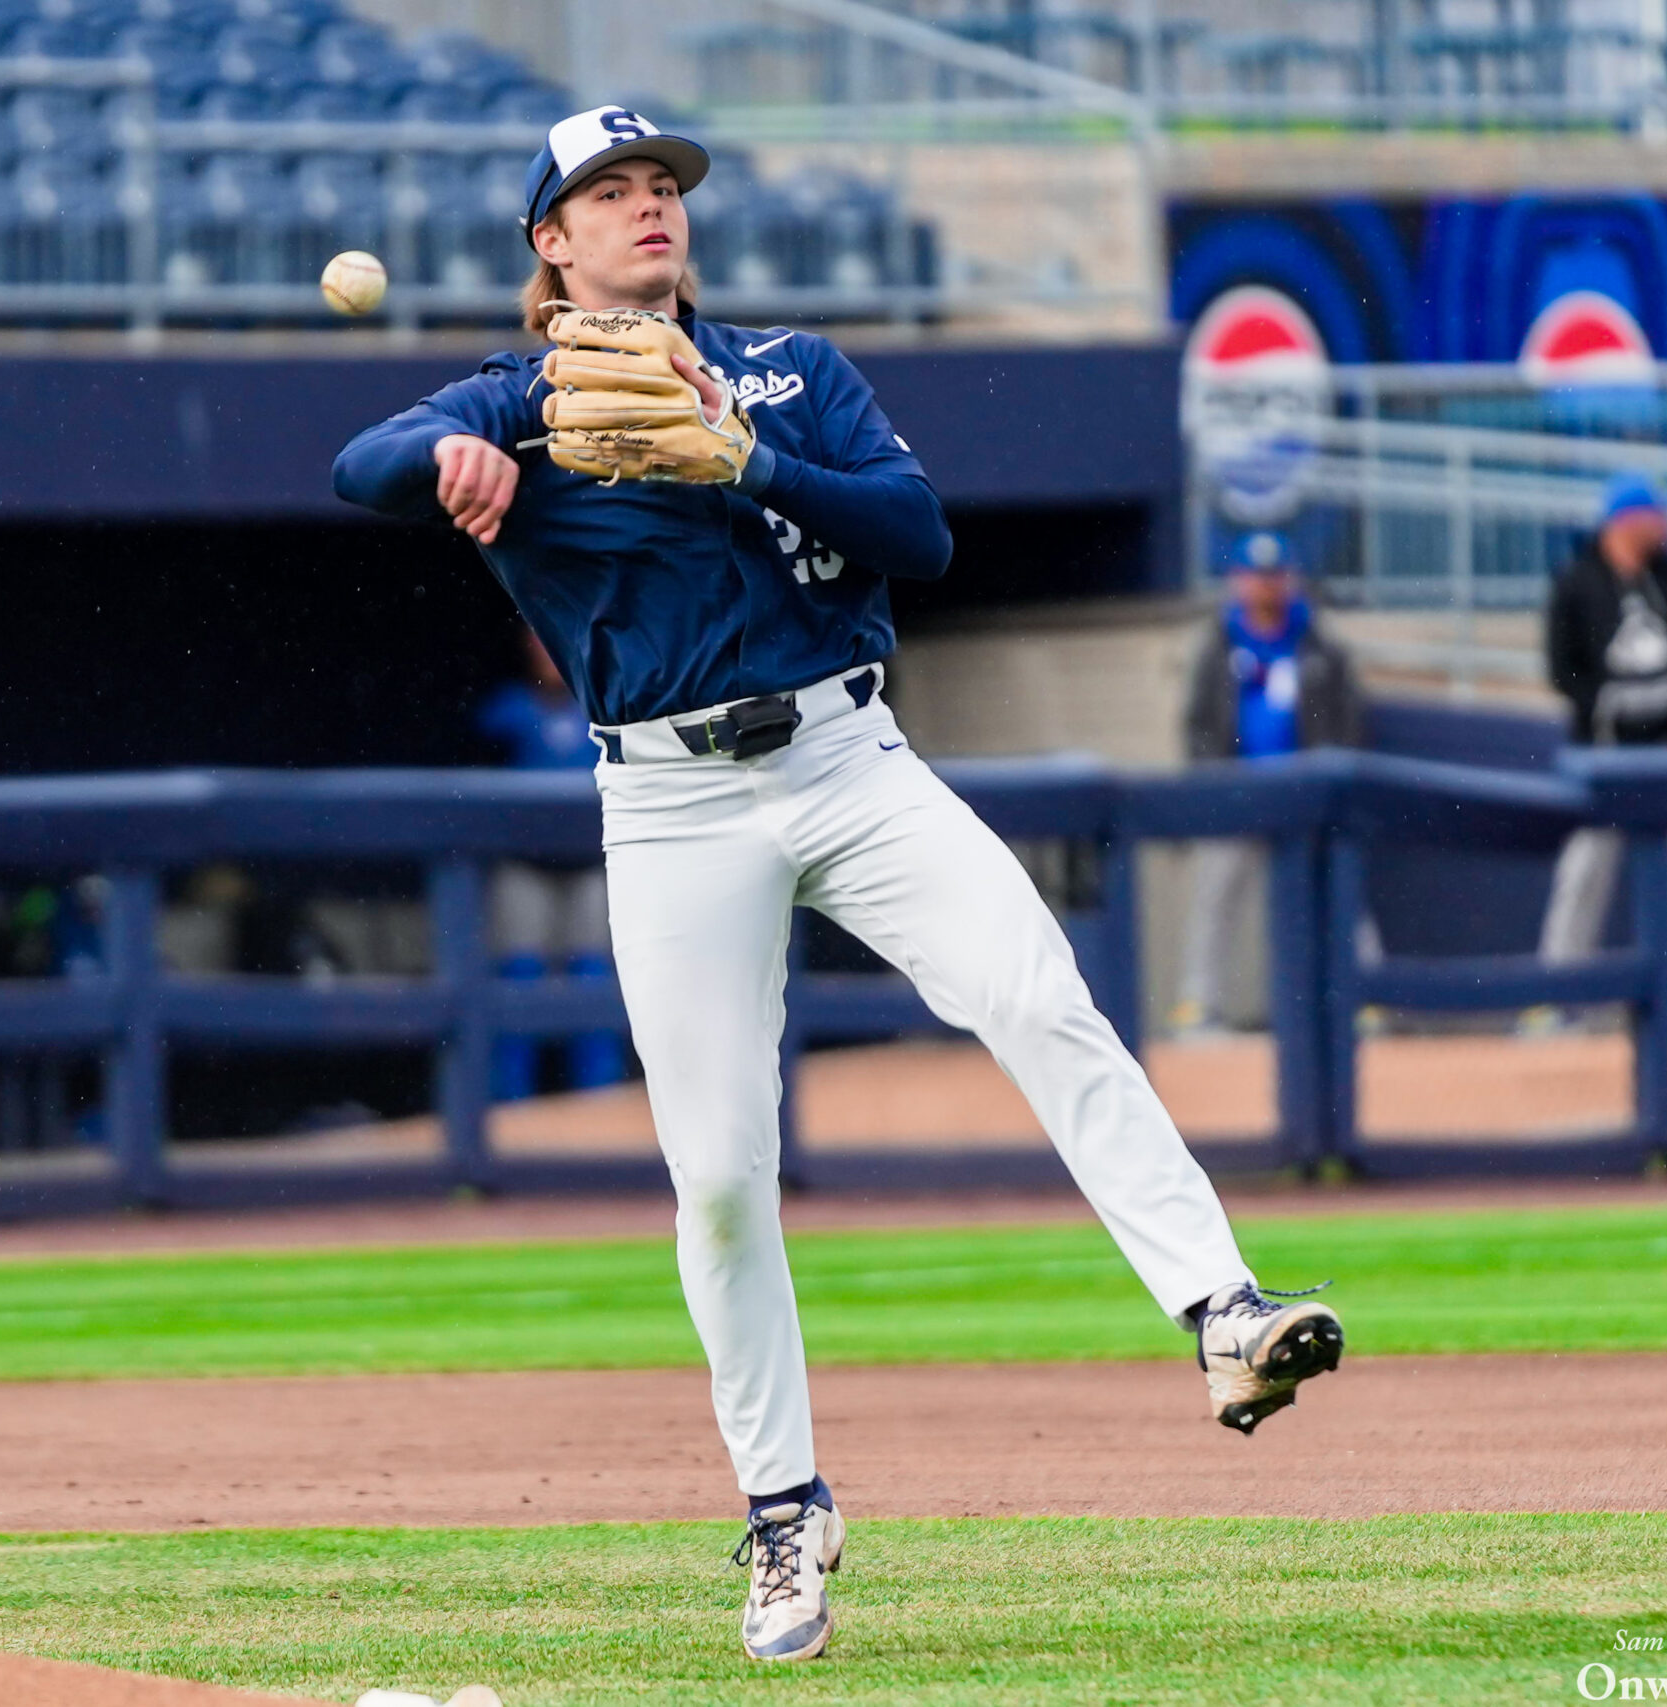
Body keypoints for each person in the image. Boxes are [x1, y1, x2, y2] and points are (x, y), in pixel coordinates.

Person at [332, 105, 1343, 1666]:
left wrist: (747, 457)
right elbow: (362, 466)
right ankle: (783, 1506)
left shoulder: (794, 370)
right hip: (668, 800)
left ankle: (1221, 1308)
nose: (649, 204)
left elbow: (918, 537)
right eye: (611, 190)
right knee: (723, 1174)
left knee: (1038, 990)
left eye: (664, 183)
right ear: (553, 241)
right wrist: (448, 452)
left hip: (849, 756)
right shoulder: (517, 400)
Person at [1172, 530, 1366, 1036]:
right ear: (1238, 581)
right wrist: (1210, 785)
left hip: (1305, 791)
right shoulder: (1218, 644)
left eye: (1275, 575)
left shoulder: (1319, 643)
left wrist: (1330, 780)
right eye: (1257, 576)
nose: (1266, 585)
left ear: (1291, 579)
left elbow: (1348, 719)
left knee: (1339, 893)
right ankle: (1199, 1004)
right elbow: (1198, 723)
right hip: (1237, 791)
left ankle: (1364, 997)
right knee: (1215, 899)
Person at [1532, 473, 1667, 1002]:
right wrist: (1609, 701)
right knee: (1584, 871)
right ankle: (1559, 994)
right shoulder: (1576, 581)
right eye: (1655, 514)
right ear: (1627, 520)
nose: (1665, 524)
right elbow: (1562, 671)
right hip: (1602, 754)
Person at [477, 625, 623, 1098]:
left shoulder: (604, 707)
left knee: (594, 984)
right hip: (524, 867)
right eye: (536, 640)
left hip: (591, 865)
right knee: (517, 984)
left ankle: (599, 1105)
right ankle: (510, 1108)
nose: (545, 650)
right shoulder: (504, 713)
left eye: (551, 638)